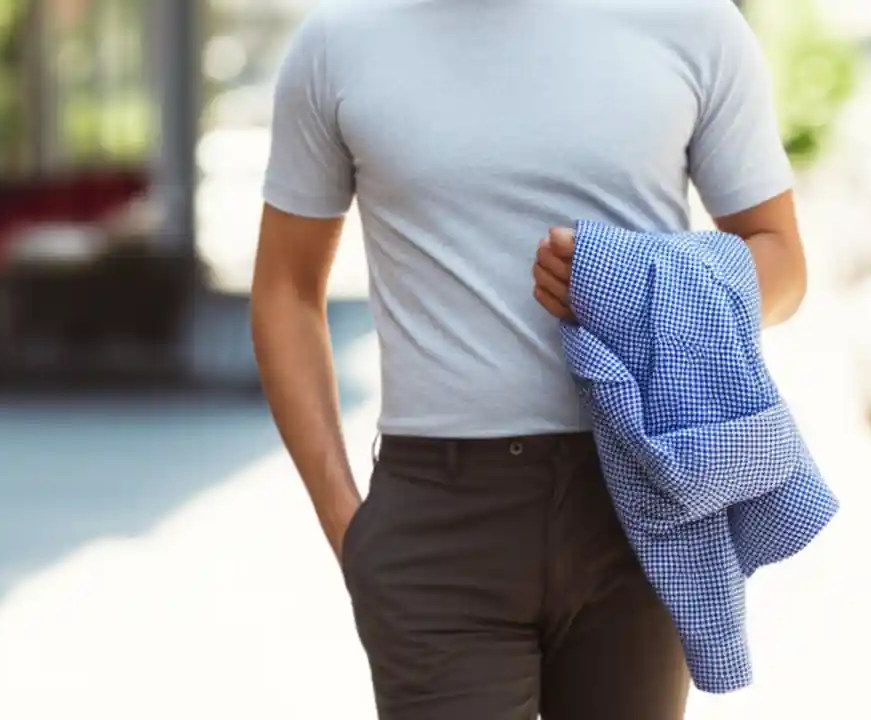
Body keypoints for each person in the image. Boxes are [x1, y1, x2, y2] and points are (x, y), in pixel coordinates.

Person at [250, 0, 807, 718]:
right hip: (438, 514)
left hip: (638, 504)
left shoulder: (693, 23)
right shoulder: (340, 41)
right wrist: (348, 526)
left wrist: (637, 290)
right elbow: (285, 290)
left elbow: (783, 262)